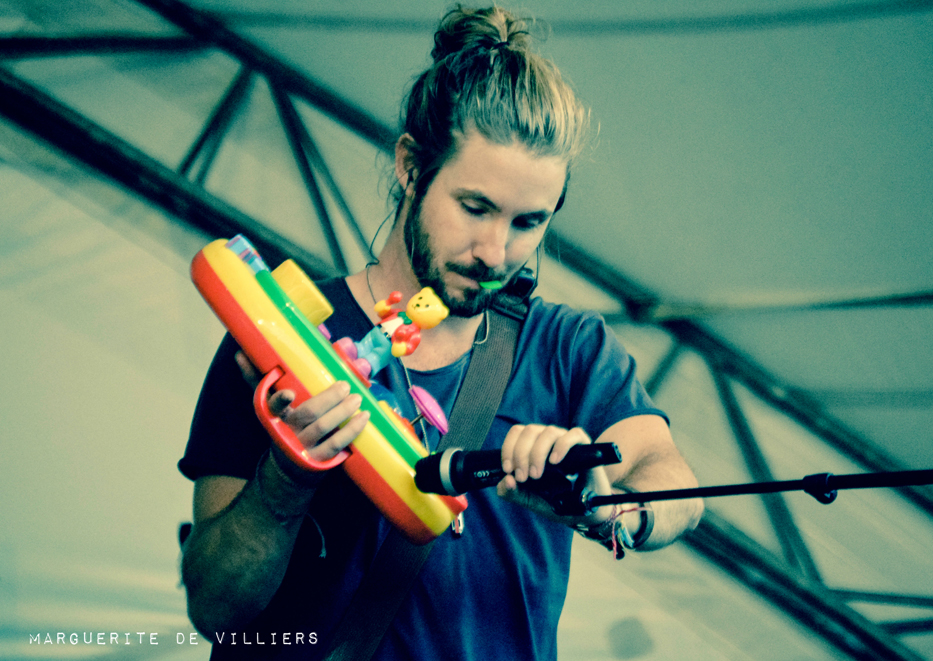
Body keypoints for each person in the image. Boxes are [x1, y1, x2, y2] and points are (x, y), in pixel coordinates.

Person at [178, 5, 703, 660]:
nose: (495, 250)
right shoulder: (282, 337)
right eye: (475, 206)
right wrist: (287, 473)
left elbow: (674, 481)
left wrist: (618, 509)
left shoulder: (569, 348)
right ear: (409, 167)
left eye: (528, 222)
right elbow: (214, 607)